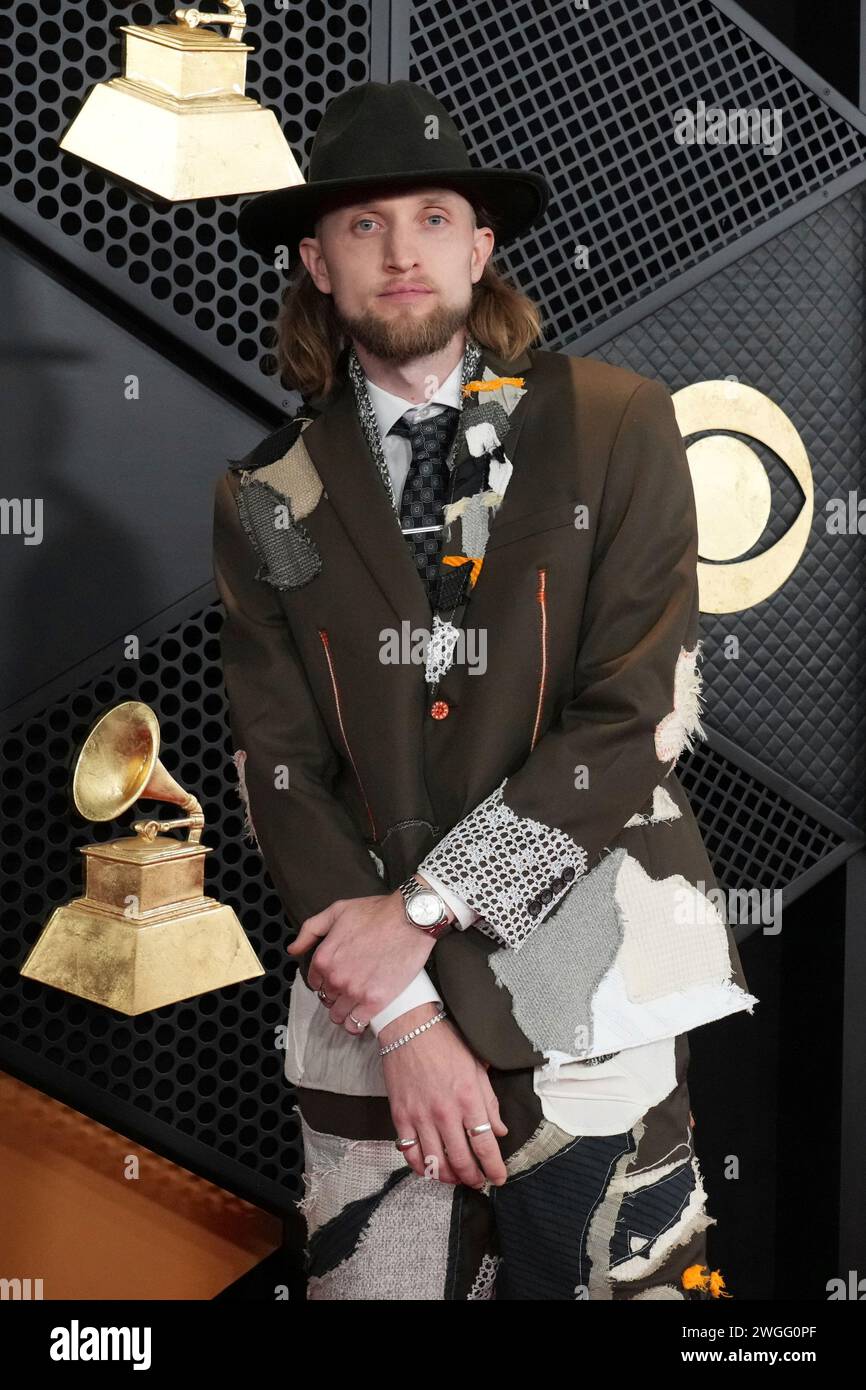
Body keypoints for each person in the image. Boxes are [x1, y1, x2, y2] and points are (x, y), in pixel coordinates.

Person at [212, 79, 758, 1301]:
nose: (400, 251)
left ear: (481, 245)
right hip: (367, 1021)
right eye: (361, 225)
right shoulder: (268, 490)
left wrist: (427, 907)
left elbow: (634, 715)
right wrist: (403, 1010)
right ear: (313, 260)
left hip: (592, 982)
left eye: (431, 216)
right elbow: (279, 760)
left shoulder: (619, 423)